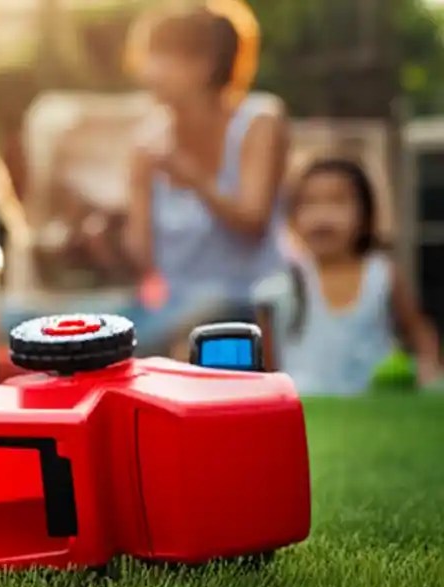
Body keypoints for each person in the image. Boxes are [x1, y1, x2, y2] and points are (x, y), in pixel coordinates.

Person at [125, 2, 289, 357]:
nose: (148, 70)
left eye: (163, 57)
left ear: (205, 65)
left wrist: (194, 179)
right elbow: (143, 258)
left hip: (245, 299)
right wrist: (99, 238)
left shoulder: (259, 120)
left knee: (154, 338)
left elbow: (253, 222)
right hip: (172, 306)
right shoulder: (149, 140)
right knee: (30, 318)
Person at [253, 158, 442, 395]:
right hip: (309, 410)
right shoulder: (278, 288)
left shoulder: (382, 276)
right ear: (292, 218)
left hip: (377, 407)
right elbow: (268, 371)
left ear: (365, 215)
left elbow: (418, 330)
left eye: (338, 202)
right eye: (309, 203)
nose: (322, 216)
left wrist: (429, 368)